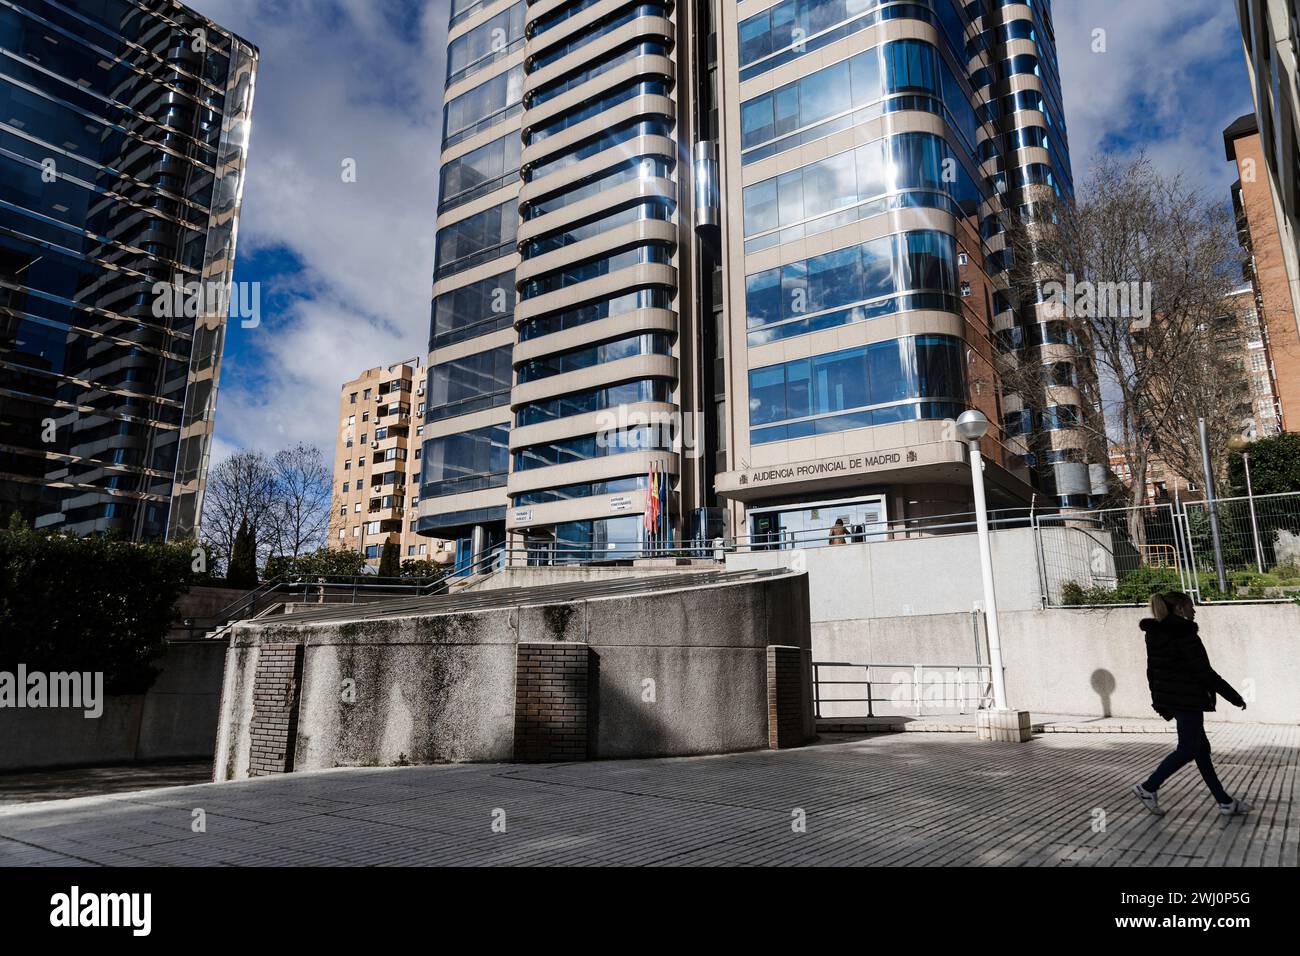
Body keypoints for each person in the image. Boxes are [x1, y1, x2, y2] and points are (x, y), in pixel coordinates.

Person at [1131, 591, 1251, 817]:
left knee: (1201, 750)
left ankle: (1225, 802)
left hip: (1175, 699)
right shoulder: (1184, 634)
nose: (1194, 611)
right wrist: (1234, 696)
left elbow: (1152, 671)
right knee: (1187, 749)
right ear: (1179, 609)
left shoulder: (1154, 633)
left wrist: (1158, 700)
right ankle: (1148, 787)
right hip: (1187, 699)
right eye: (1190, 607)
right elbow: (1204, 672)